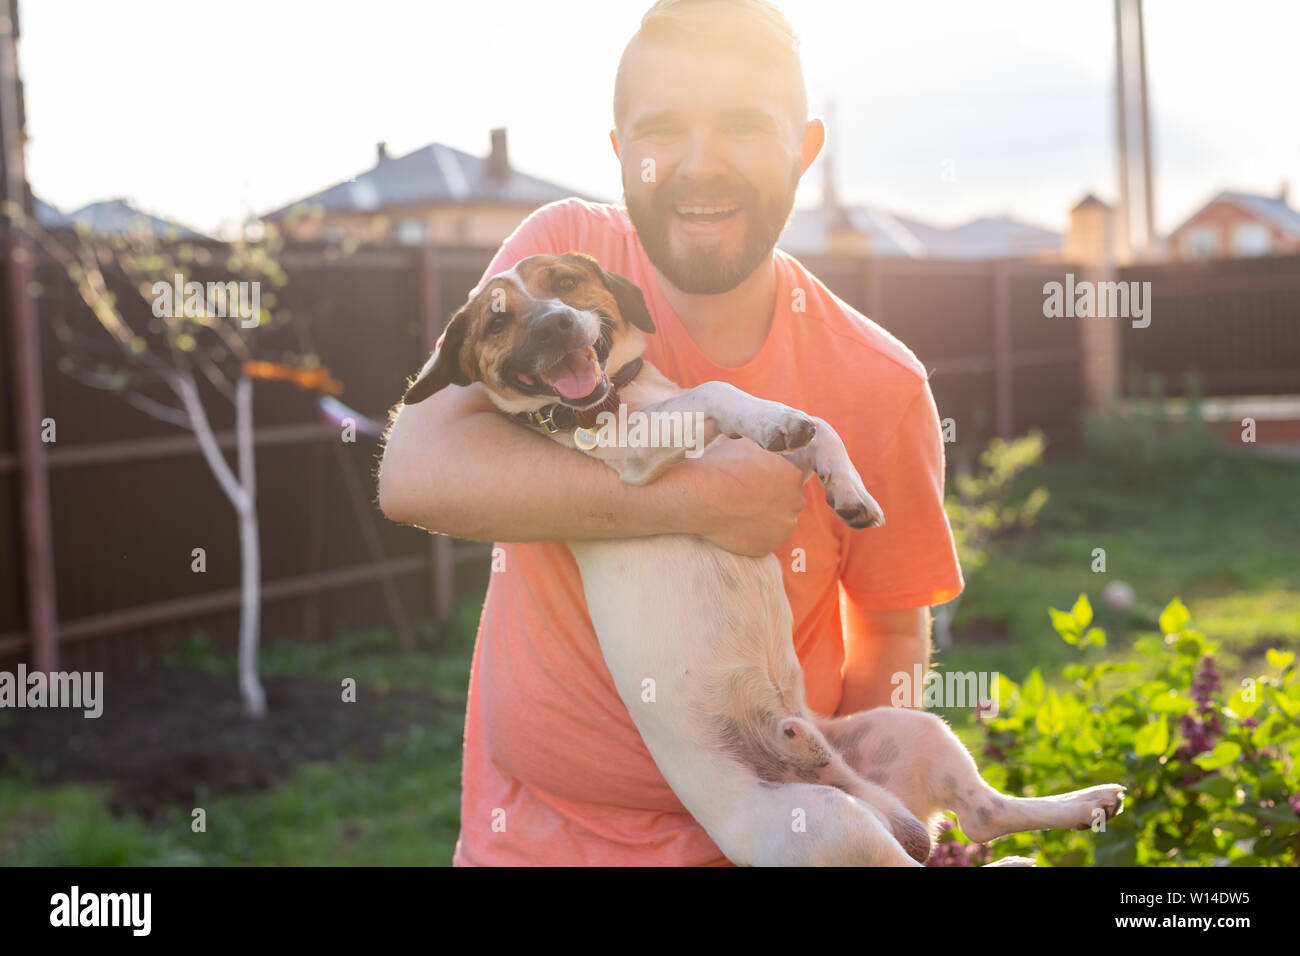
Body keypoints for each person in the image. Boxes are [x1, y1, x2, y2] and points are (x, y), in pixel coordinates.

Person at [378, 0, 963, 866]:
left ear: (803, 149)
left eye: (740, 126)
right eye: (662, 131)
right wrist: (705, 496)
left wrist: (877, 817)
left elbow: (890, 634)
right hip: (535, 846)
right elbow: (414, 473)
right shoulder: (563, 258)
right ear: (620, 154)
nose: (699, 166)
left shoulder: (882, 383)